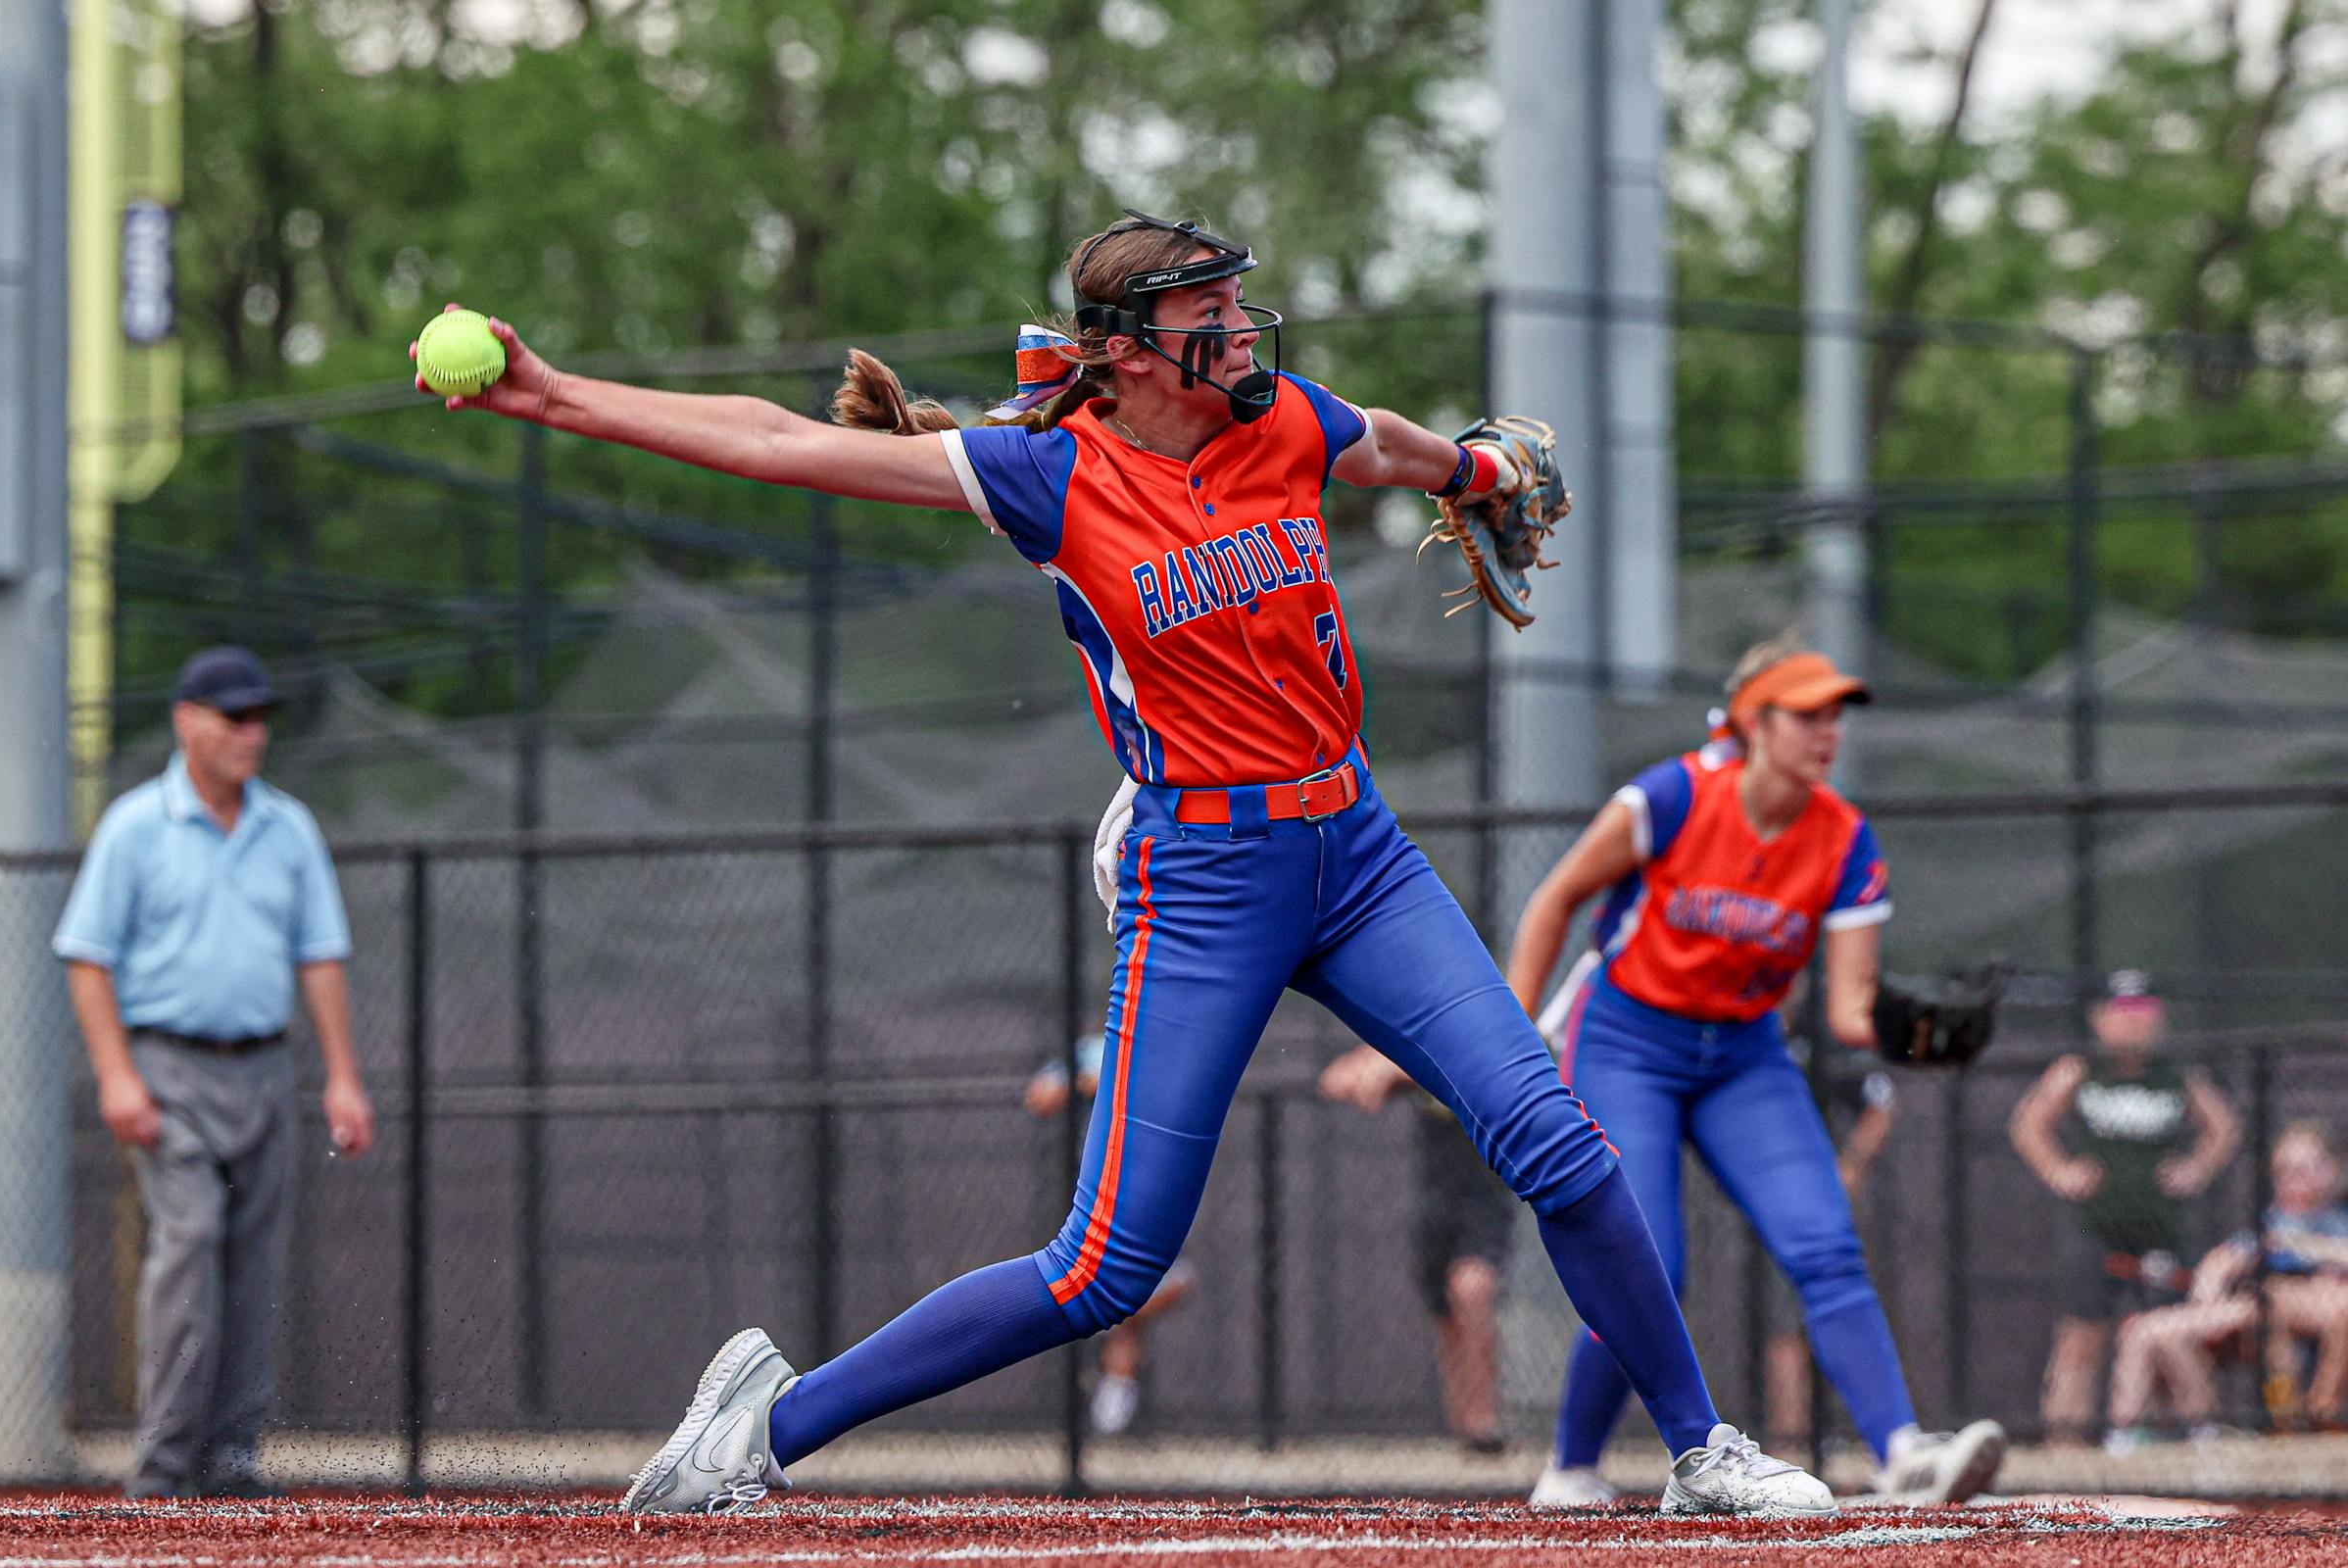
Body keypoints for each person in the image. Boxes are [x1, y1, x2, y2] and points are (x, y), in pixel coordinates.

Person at [416, 208, 1831, 1518]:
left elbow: (1386, 444)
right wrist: (554, 397)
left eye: (1232, 302)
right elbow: (779, 444)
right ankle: (768, 1426)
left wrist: (1473, 467)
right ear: (1127, 350)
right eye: (1206, 309)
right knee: (1105, 1269)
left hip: (1357, 853)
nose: (1238, 328)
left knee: (1556, 1141)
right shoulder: (1049, 473)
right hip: (1205, 881)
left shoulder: (1275, 416)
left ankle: (1701, 1450)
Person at [1505, 634, 2005, 1509]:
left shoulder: (1844, 838)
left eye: (1835, 715)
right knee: (1650, 1259)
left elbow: (1850, 1010)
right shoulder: (1673, 795)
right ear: (1754, 723)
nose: (1828, 732)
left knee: (1823, 1242)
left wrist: (1917, 1038)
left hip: (1742, 1053)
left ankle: (1902, 1454)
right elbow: (1555, 897)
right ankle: (1572, 1464)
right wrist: (1507, 1031)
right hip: (1629, 1038)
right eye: (1806, 714)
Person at [52, 647, 376, 1501]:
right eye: (235, 718)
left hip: (264, 1069)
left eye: (259, 718)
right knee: (187, 1248)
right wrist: (117, 1076)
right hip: (169, 1070)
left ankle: (230, 1457)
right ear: (187, 721)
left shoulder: (287, 827)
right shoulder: (135, 826)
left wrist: (342, 1076)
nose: (252, 734)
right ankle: (163, 1468)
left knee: (249, 1265)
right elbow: (87, 958)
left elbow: (320, 956)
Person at [2008, 970, 2238, 1446]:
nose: (2133, 1024)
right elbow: (2029, 1123)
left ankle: (2185, 1445)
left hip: (2161, 1228)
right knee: (2081, 1338)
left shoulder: (2177, 1075)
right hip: (2095, 1226)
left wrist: (2196, 1168)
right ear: (2099, 1020)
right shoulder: (2080, 1070)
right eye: (2122, 1014)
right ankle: (2063, 1451)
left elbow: (2224, 1128)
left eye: (2143, 1013)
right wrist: (2060, 1170)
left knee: (2170, 1336)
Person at [1319, 1045, 1517, 1454]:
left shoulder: (1482, 1044)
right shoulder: (1415, 1050)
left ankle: (1485, 1421)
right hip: (1437, 1198)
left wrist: (1392, 1067)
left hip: (1485, 1193)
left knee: (1472, 1289)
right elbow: (1336, 1079)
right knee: (1445, 1309)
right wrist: (1372, 1066)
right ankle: (1465, 1427)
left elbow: (1462, 1059)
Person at [2103, 1121, 2348, 1446]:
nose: (2295, 1180)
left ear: (2333, 1171)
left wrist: (2303, 1248)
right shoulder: (2269, 1224)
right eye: (2285, 1171)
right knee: (2146, 1331)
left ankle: (2320, 1416)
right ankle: (2133, 1437)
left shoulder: (2336, 1221)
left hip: (2302, 1310)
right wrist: (2212, 1286)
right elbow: (2220, 1265)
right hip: (2248, 1309)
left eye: (2307, 1168)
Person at [1024, 1033, 1196, 1436]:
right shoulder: (1089, 1048)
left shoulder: (1166, 1042)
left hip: (1148, 1193)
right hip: (1092, 1201)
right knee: (1110, 1295)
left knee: (1166, 1286)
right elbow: (1040, 1096)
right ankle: (1111, 1371)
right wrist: (1082, 1082)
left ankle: (1107, 1356)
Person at [1763, 1011, 1896, 1454]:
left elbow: (1880, 1103)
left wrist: (1851, 1167)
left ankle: (1879, 1439)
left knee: (1840, 1308)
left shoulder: (1828, 1034)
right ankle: (1792, 1445)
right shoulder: (1749, 1034)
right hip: (1774, 1201)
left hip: (1825, 1205)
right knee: (1785, 1327)